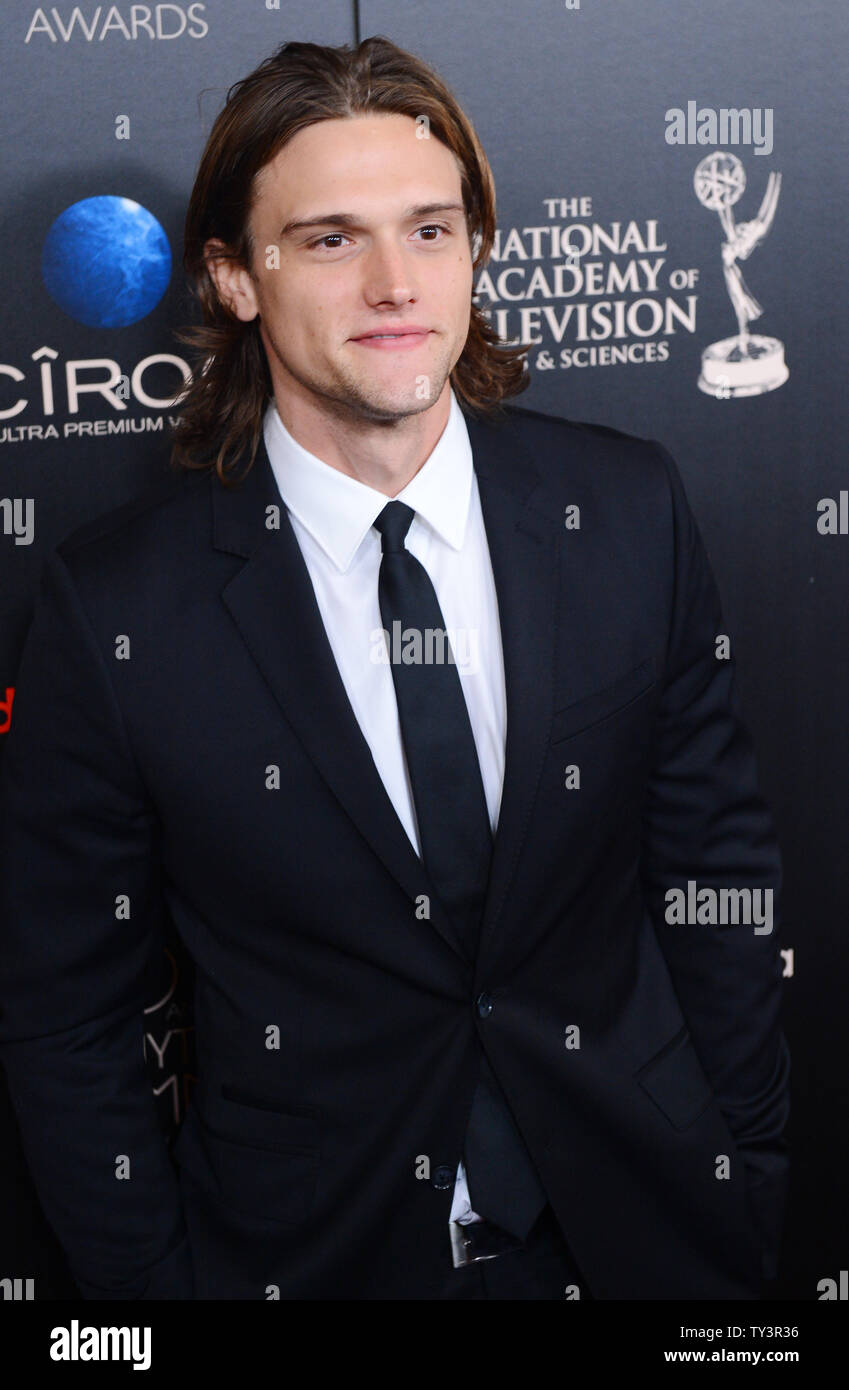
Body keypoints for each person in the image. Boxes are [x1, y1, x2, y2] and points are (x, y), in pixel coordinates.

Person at [0, 36, 789, 1300]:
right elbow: (64, 1011)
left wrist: (746, 1163)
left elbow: (715, 868)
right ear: (232, 276)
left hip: (653, 1235)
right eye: (327, 240)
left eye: (430, 229)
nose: (392, 282)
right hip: (314, 1260)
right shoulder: (116, 606)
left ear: (476, 246)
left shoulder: (624, 507)